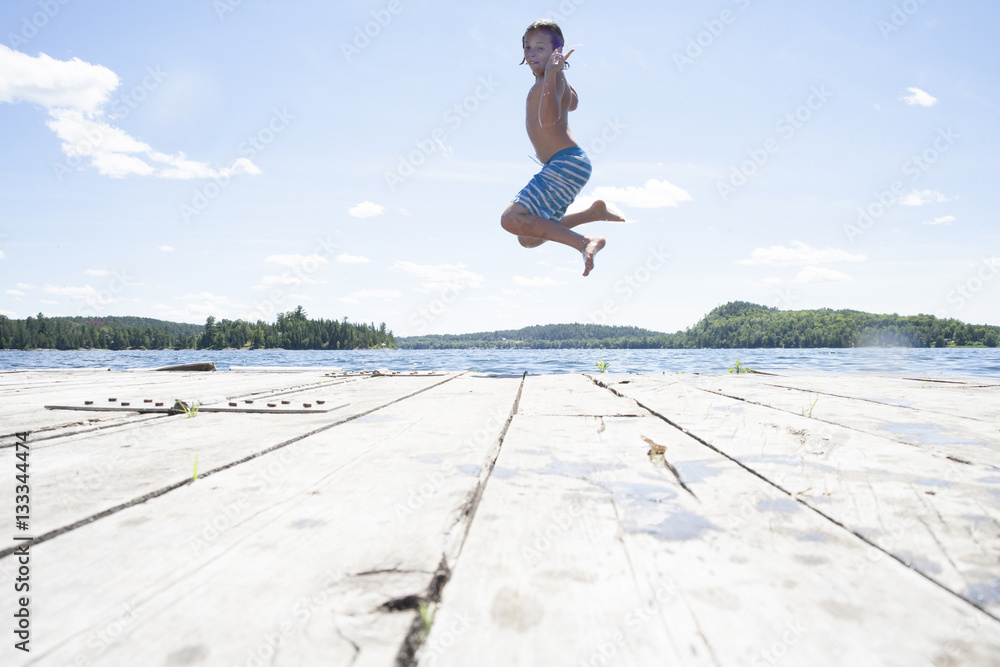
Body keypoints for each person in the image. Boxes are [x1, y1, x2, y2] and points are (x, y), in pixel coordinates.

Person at [500, 19, 623, 277]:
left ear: (556, 51)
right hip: (570, 164)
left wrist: (554, 74)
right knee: (528, 237)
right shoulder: (555, 81)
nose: (531, 53)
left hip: (564, 163)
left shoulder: (549, 81)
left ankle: (584, 242)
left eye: (540, 48)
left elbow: (548, 120)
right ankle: (592, 213)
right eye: (527, 47)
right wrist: (559, 74)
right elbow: (573, 103)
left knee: (511, 219)